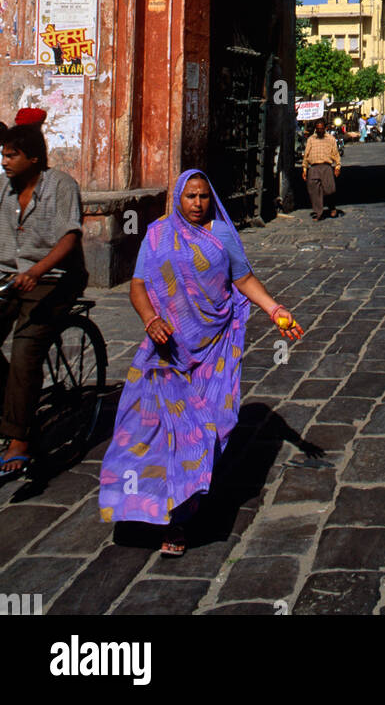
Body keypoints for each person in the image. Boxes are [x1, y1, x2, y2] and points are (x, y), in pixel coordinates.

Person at [99, 170, 303, 554]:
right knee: (153, 433)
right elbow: (139, 284)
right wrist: (150, 319)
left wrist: (275, 310)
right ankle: (158, 513)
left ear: (212, 200)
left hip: (213, 349)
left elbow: (243, 279)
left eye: (204, 197)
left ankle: (181, 516)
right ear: (178, 197)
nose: (197, 203)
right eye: (190, 196)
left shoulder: (221, 235)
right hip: (167, 350)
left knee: (203, 431)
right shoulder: (158, 234)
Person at [0, 108, 87, 481]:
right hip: (9, 276)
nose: (5, 162)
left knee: (26, 347)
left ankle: (19, 438)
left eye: (11, 156)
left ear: (33, 158)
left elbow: (70, 236)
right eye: (3, 155)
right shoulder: (3, 189)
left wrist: (36, 271)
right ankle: (15, 402)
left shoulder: (62, 186)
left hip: (54, 278)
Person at [302, 118, 341, 219]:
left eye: (321, 129)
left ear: (325, 128)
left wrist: (337, 166)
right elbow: (306, 155)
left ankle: (332, 207)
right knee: (313, 191)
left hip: (326, 167)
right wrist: (304, 169)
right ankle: (318, 212)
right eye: (318, 129)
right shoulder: (311, 139)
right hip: (314, 167)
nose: (320, 131)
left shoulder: (331, 139)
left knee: (330, 189)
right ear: (315, 129)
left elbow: (335, 153)